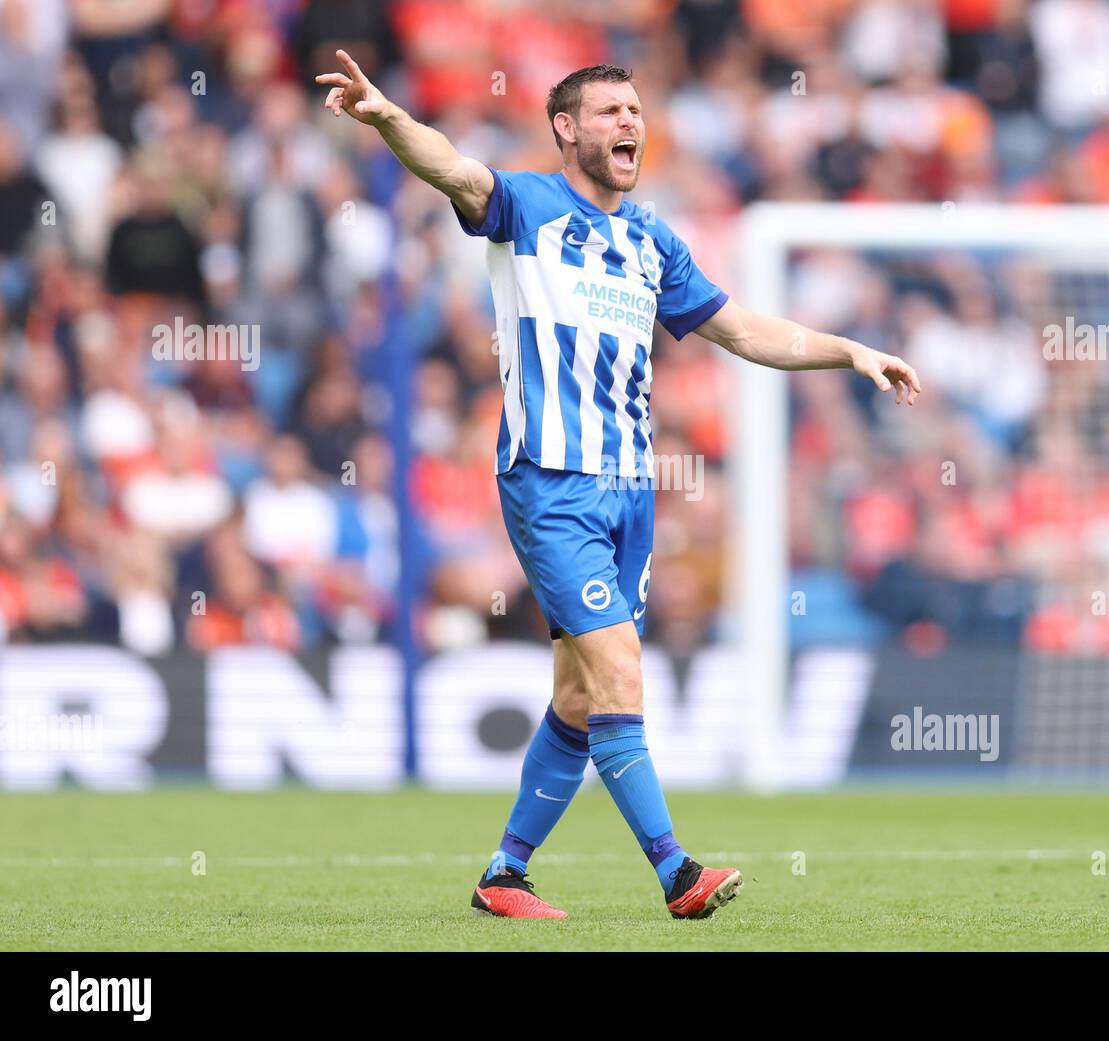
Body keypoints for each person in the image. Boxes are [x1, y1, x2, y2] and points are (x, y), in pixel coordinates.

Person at [317, 51, 922, 919]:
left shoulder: (651, 241)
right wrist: (386, 119)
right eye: (608, 111)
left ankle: (504, 874)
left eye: (635, 110)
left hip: (631, 492)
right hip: (552, 482)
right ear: (566, 129)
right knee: (620, 676)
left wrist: (848, 348)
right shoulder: (526, 206)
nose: (629, 123)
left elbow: (744, 330)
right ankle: (679, 873)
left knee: (577, 693)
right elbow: (448, 164)